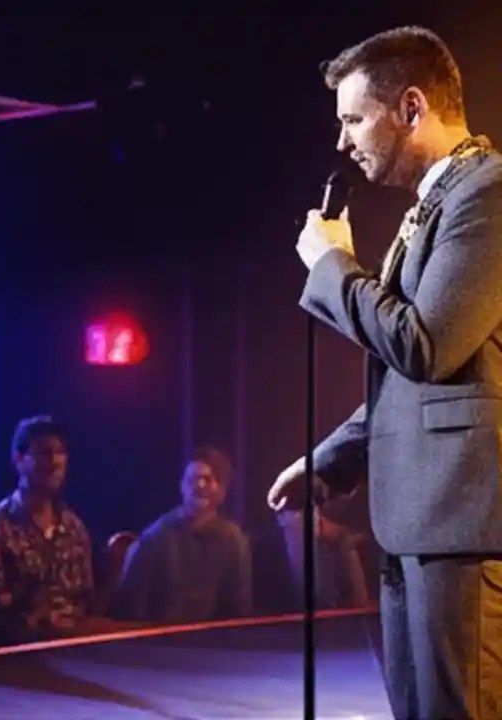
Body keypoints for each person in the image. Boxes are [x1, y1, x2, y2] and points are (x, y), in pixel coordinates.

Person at [269, 26, 502, 719]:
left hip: (462, 524)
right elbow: (411, 386)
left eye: (352, 118)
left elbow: (427, 345)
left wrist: (333, 267)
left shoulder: (488, 196)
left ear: (410, 107)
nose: (343, 141)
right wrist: (333, 458)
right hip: (419, 522)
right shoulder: (437, 201)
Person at [0, 415, 96, 645]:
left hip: (79, 650)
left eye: (61, 453)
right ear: (19, 460)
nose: (56, 461)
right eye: (45, 453)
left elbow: (85, 600)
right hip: (18, 658)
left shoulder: (74, 527)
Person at [114, 448, 253, 624]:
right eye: (194, 479)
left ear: (223, 490)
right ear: (182, 486)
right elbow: (130, 608)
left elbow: (239, 610)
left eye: (208, 480)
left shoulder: (235, 541)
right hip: (162, 642)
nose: (200, 485)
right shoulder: (155, 538)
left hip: (216, 644)